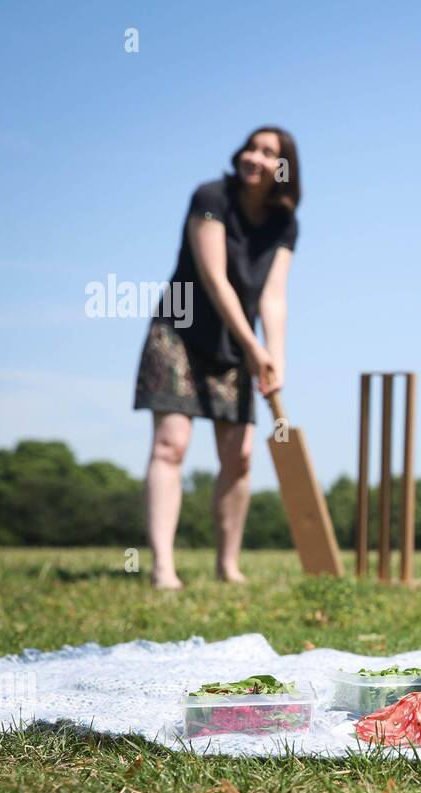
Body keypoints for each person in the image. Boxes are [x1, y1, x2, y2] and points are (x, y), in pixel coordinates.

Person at [133, 127, 300, 589]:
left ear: (284, 167)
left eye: (269, 153)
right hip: (181, 330)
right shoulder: (210, 196)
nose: (255, 157)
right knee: (171, 444)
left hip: (237, 343)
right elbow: (214, 279)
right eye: (252, 148)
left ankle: (228, 565)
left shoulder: (285, 223)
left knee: (240, 454)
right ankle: (163, 567)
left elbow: (274, 296)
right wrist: (254, 346)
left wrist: (276, 358)